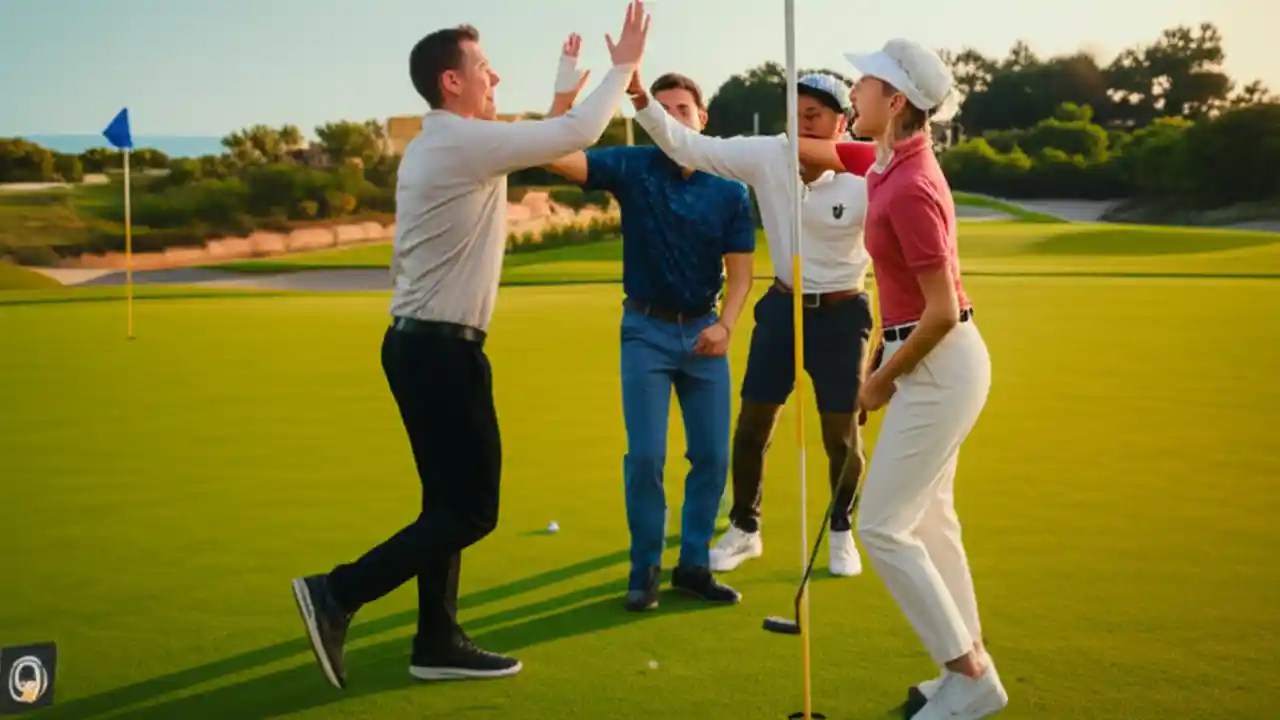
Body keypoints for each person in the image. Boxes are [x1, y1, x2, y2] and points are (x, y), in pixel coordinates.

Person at [289, 2, 651, 689]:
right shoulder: (460, 142)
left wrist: (566, 85)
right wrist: (624, 63)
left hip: (424, 348)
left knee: (444, 507)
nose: (494, 77)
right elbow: (572, 134)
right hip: (439, 354)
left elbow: (546, 134)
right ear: (450, 83)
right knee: (473, 510)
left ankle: (436, 640)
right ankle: (336, 593)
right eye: (484, 68)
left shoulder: (458, 142)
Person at [627, 70, 879, 578]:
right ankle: (745, 527)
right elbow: (687, 147)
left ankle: (841, 529)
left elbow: (893, 258)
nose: (801, 126)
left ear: (842, 121)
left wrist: (883, 347)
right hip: (783, 308)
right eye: (795, 116)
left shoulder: (868, 172)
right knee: (752, 426)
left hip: (843, 312)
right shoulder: (768, 154)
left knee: (841, 435)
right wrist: (639, 98)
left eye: (813, 117)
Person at [542, 39, 756, 611]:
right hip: (646, 331)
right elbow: (555, 156)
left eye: (681, 110)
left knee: (712, 456)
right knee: (645, 458)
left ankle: (692, 565)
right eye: (659, 110)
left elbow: (741, 276)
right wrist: (567, 87)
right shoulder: (635, 167)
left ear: (701, 118)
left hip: (706, 335)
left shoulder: (730, 185)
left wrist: (727, 327)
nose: (670, 120)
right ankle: (644, 571)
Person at [835, 38, 1008, 718]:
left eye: (863, 84)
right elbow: (897, 294)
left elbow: (938, 310)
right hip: (924, 361)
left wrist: (879, 383)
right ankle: (969, 666)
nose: (854, 93)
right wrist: (875, 363)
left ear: (895, 99)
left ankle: (969, 676)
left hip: (943, 366)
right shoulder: (886, 170)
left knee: (881, 526)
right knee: (934, 523)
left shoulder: (911, 185)